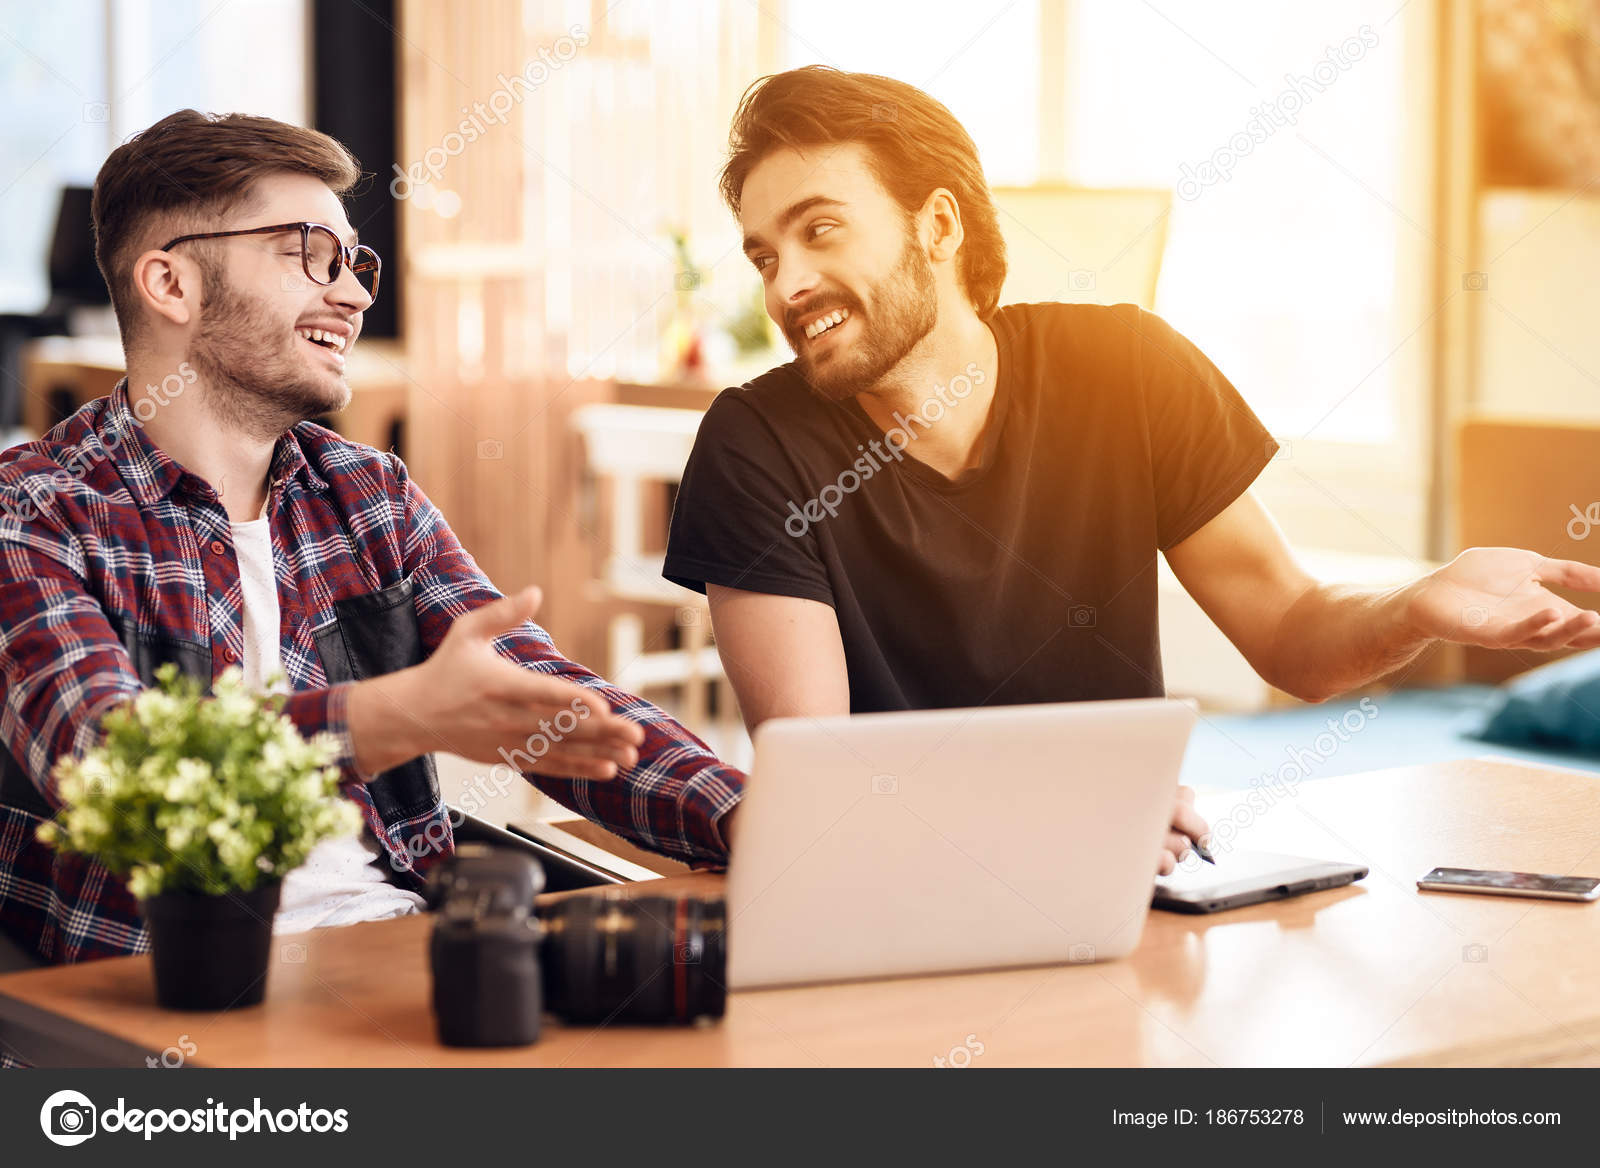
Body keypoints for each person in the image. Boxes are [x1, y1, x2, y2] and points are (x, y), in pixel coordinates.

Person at [663, 65, 1600, 875]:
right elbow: (815, 783)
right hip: (900, 901)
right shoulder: (755, 445)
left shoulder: (1126, 369)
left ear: (937, 225)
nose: (786, 285)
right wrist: (1052, 827)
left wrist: (1418, 604)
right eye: (764, 255)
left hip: (1122, 889)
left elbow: (1294, 634)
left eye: (820, 230)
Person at [0, 110, 742, 969]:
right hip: (173, 986)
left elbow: (542, 694)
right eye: (309, 252)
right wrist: (397, 716)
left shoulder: (368, 493)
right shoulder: (34, 512)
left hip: (404, 949)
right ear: (172, 285)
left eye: (355, 261)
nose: (352, 293)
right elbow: (114, 765)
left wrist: (748, 817)